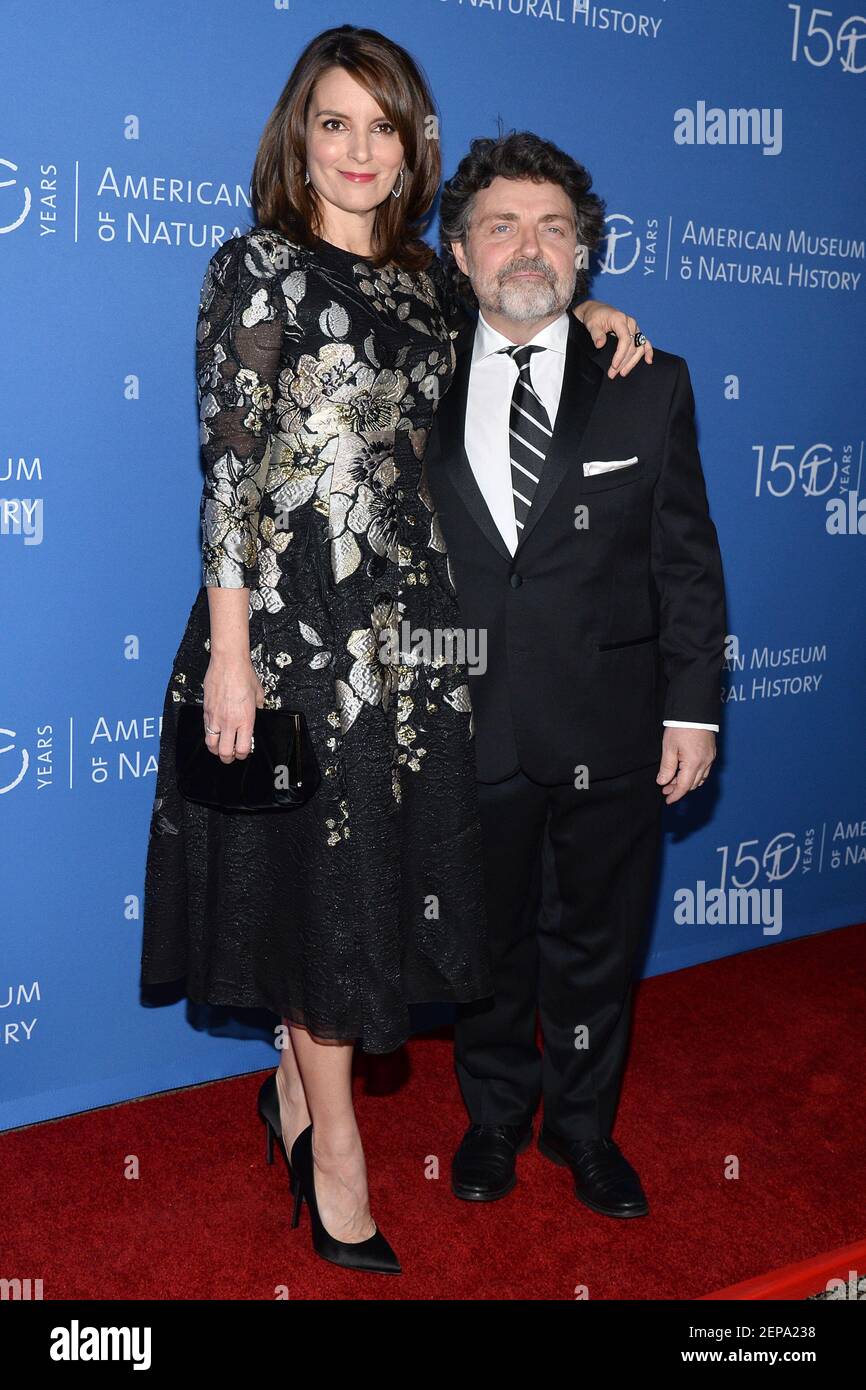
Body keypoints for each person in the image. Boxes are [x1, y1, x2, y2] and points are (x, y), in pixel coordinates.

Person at [140, 25, 653, 1275]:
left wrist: (589, 309)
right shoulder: (254, 267)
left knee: (363, 905)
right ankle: (337, 1162)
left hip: (415, 648)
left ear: (413, 143)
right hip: (291, 633)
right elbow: (231, 479)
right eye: (334, 124)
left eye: (384, 126)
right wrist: (230, 653)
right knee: (323, 906)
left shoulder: (432, 282)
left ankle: (288, 1084)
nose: (360, 151)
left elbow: (515, 317)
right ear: (298, 137)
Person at [426, 131, 727, 1217]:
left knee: (597, 944)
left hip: (610, 720)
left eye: (553, 227)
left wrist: (693, 709)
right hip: (465, 721)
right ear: (456, 254)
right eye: (499, 224)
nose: (527, 246)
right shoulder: (410, 375)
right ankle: (495, 1118)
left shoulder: (648, 383)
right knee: (489, 941)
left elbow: (684, 562)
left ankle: (583, 1130)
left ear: (585, 254)